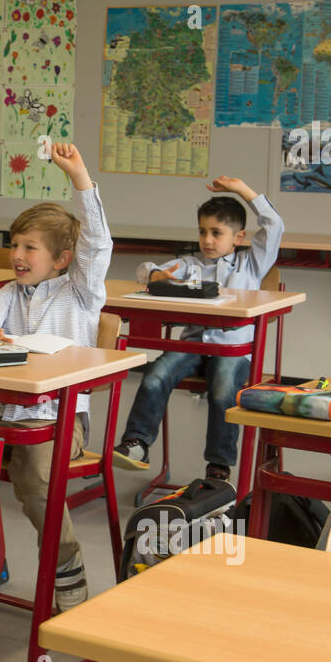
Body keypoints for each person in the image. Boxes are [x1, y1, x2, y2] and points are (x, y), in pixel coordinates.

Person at [0, 143, 111, 610]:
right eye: (14, 244)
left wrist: (81, 179)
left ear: (63, 258)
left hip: (62, 418)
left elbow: (99, 243)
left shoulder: (82, 293)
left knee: (31, 472)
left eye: (30, 247)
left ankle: (65, 559)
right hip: (5, 416)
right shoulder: (10, 292)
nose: (17, 254)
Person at [113, 176, 284, 486]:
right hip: (192, 347)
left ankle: (218, 464)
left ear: (238, 237)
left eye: (216, 233)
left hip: (233, 352)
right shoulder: (191, 265)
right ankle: (137, 443)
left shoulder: (251, 265)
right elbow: (144, 270)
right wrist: (156, 273)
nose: (207, 240)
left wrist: (242, 191)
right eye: (203, 231)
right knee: (156, 373)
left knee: (222, 390)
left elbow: (274, 225)